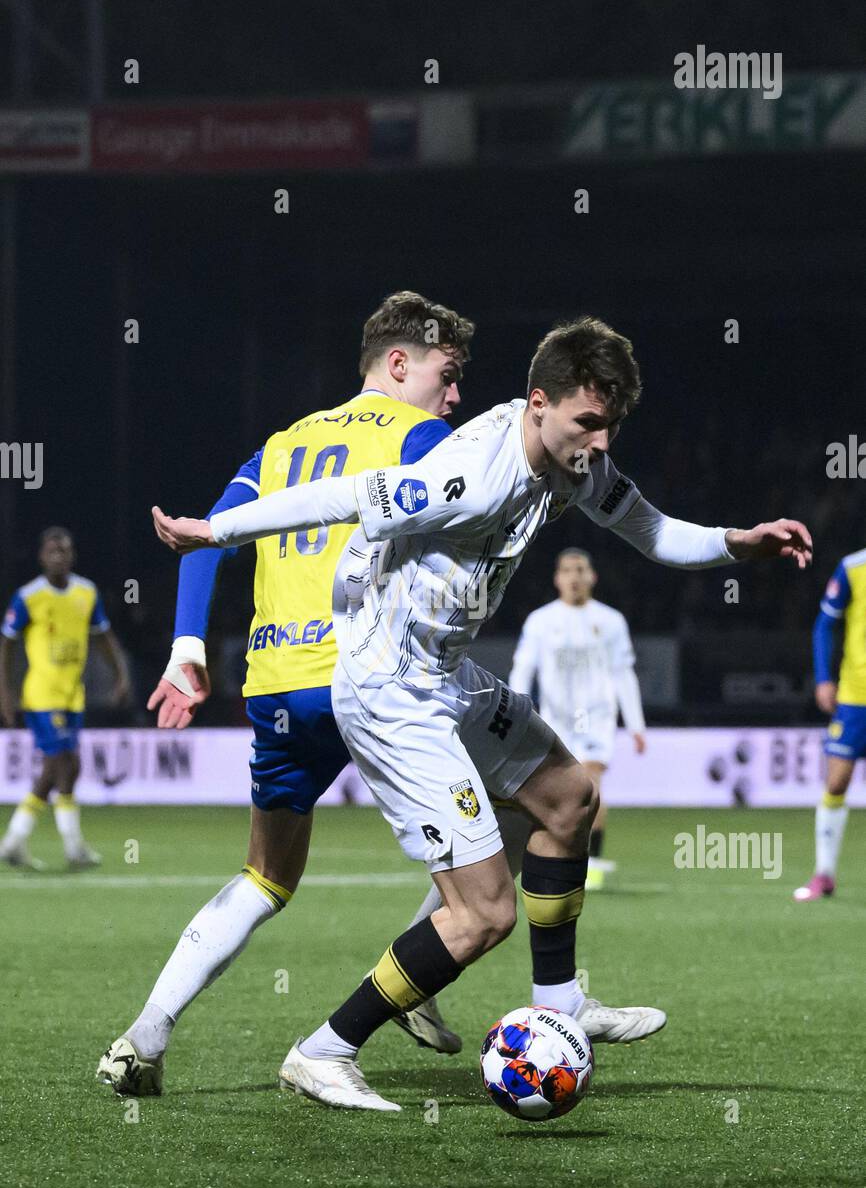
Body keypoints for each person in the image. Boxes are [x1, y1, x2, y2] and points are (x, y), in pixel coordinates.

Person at [153, 315, 812, 1112]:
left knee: (569, 800)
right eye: (588, 422)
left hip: (443, 674)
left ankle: (561, 1002)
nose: (601, 442)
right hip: (389, 690)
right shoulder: (472, 472)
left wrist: (740, 542)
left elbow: (652, 530)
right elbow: (346, 495)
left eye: (611, 425)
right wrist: (213, 532)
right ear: (539, 403)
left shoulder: (575, 462)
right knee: (485, 913)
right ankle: (324, 1051)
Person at [97, 291, 471, 1096]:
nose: (454, 395)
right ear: (398, 363)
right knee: (533, 799)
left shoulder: (282, 444)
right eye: (447, 374)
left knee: (266, 876)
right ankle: (411, 987)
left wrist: (187, 650)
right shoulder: (423, 437)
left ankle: (144, 1036)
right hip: (370, 681)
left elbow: (205, 537)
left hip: (274, 686)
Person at [509, 548, 646, 887]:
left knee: (589, 785)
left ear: (592, 577)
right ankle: (553, 858)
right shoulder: (540, 621)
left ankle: (592, 863)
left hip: (597, 718)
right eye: (567, 570)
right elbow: (523, 669)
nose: (574, 576)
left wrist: (636, 725)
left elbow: (623, 672)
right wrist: (517, 714)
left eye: (580, 569)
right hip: (555, 720)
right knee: (553, 794)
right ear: (557, 579)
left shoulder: (611, 621)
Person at [0, 527, 130, 869]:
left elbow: (103, 636)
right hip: (42, 696)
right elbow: (7, 645)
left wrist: (120, 674)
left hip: (73, 696)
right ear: (41, 557)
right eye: (52, 551)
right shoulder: (28, 597)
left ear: (72, 556)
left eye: (64, 551)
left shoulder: (86, 592)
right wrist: (5, 693)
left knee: (61, 768)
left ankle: (13, 841)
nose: (58, 557)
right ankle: (73, 846)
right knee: (63, 764)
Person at [795, 547, 866, 901]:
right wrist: (824, 678)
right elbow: (825, 624)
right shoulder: (853, 567)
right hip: (855, 697)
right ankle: (823, 874)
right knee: (836, 782)